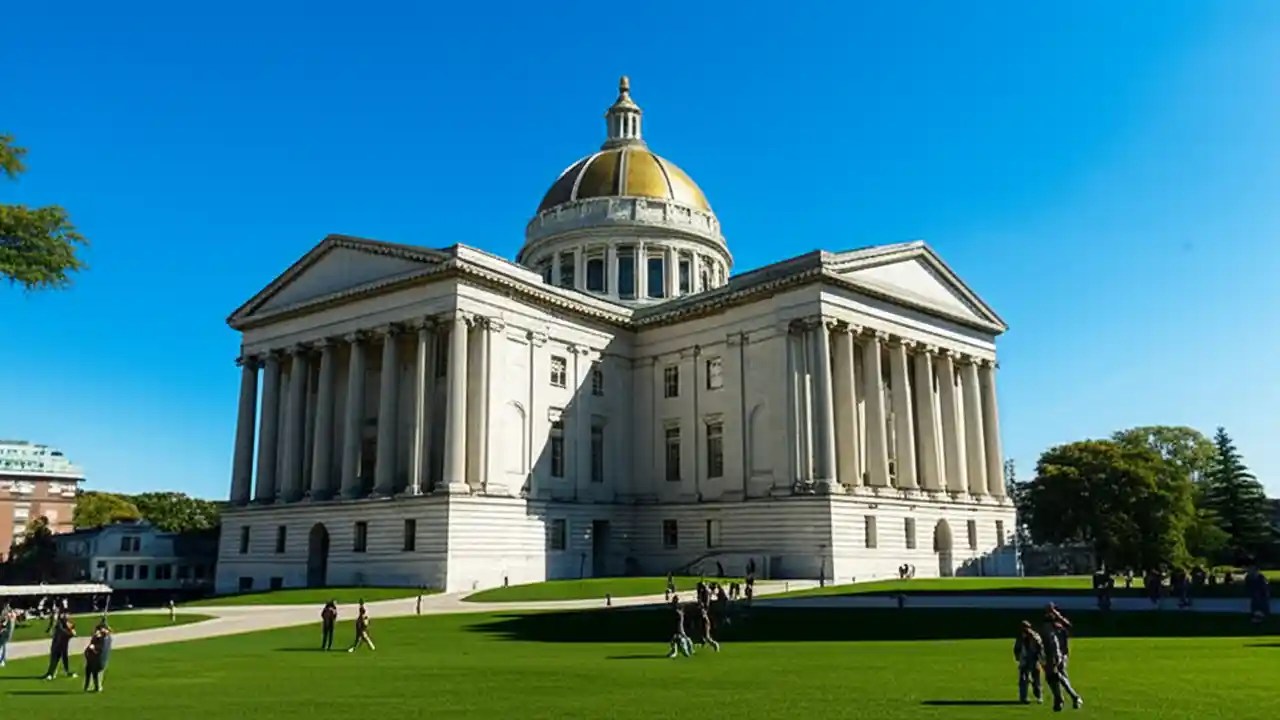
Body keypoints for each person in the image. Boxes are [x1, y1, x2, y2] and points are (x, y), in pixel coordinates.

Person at [1039, 608, 1082, 711]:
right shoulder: (1047, 632)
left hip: (1058, 656)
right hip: (1050, 657)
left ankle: (1072, 697)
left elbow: (1057, 646)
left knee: (1058, 676)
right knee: (1052, 678)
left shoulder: (1058, 630)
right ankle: (1060, 699)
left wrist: (1059, 658)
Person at [1012, 621, 1043, 704]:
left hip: (1034, 659)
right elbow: (1016, 648)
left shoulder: (1035, 636)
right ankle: (1023, 697)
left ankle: (1039, 696)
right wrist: (1018, 657)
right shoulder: (1020, 637)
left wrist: (1040, 657)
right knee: (1023, 679)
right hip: (1024, 660)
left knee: (1036, 679)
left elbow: (1040, 647)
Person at [43, 610, 77, 680]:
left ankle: (66, 671)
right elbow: (63, 632)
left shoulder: (67, 623)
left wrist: (71, 630)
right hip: (57, 644)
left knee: (65, 659)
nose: (66, 616)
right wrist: (70, 632)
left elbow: (73, 631)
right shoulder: (59, 624)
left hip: (64, 645)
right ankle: (51, 673)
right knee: (54, 659)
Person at [82, 623, 112, 693]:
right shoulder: (98, 638)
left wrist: (93, 648)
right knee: (89, 672)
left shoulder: (104, 639)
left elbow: (99, 650)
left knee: (95, 673)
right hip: (91, 659)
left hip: (97, 660)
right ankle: (88, 687)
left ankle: (97, 687)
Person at [0, 604, 15, 668]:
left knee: (2, 645)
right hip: (4, 630)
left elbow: (5, 622)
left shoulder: (9, 613)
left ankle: (2, 660)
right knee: (2, 645)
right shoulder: (7, 612)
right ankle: (2, 660)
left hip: (5, 631)